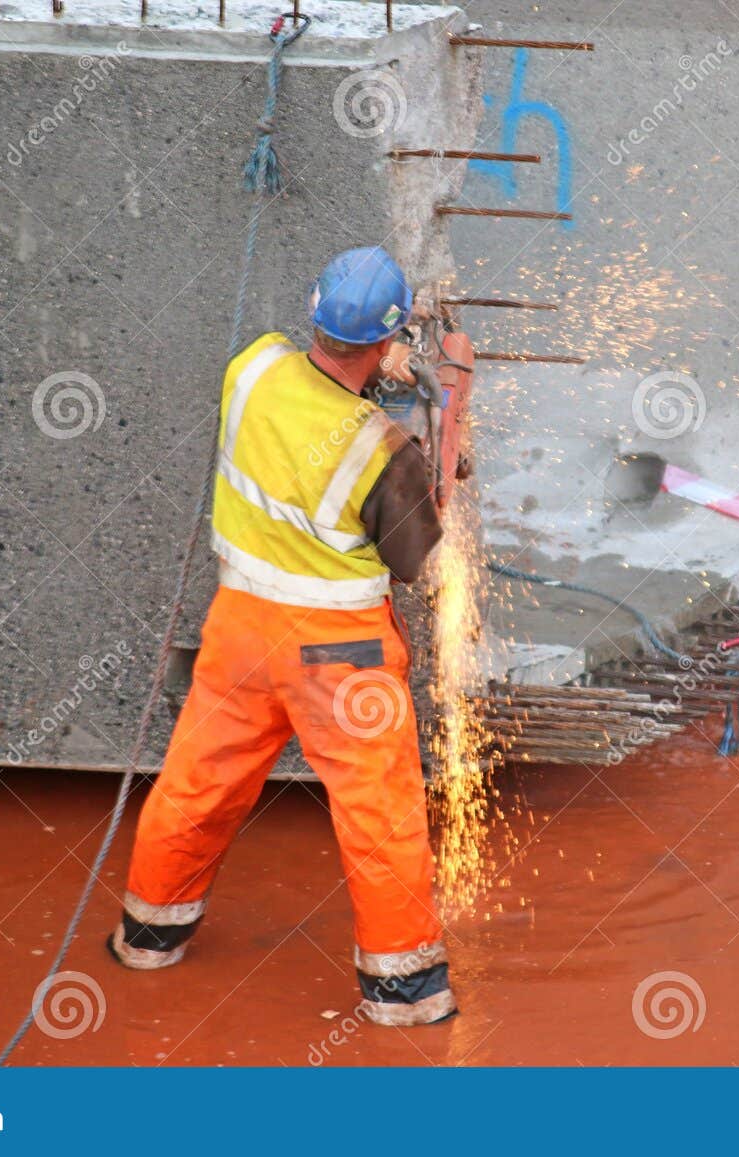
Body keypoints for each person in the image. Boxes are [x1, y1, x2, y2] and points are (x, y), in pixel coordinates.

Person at [110, 246, 454, 1027]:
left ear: (315, 315)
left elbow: (315, 386)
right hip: (341, 654)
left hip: (239, 629)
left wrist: (370, 358)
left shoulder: (253, 367)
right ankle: (405, 990)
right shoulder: (382, 450)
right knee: (377, 809)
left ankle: (149, 934)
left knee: (199, 780)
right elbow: (413, 557)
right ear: (384, 340)